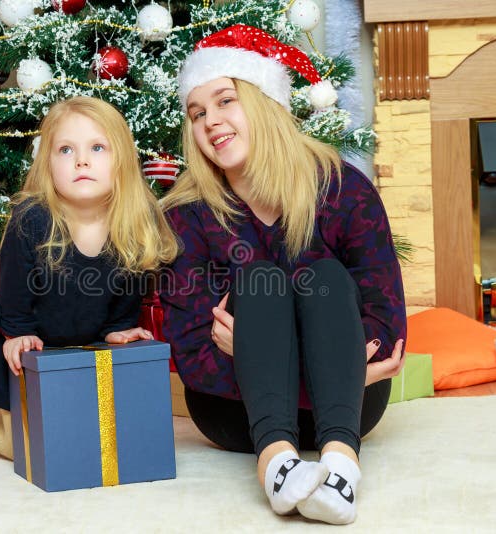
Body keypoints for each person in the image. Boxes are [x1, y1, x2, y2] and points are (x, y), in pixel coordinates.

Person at [159, 25, 407, 524]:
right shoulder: (186, 214)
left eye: (226, 100)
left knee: (324, 274)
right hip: (235, 413)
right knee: (259, 281)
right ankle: (275, 465)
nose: (211, 122)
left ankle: (341, 468)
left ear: (263, 100)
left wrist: (256, 348)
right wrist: (329, 363)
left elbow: (387, 328)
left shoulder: (342, 189)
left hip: (350, 409)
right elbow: (190, 352)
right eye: (198, 112)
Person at [0, 96, 178, 459]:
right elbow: (14, 295)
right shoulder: (32, 220)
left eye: (97, 147)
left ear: (122, 161)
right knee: (30, 449)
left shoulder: (132, 220)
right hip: (37, 349)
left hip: (89, 353)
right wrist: (17, 335)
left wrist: (120, 327)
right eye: (66, 150)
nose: (81, 160)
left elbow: (128, 290)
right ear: (48, 164)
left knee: (108, 439)